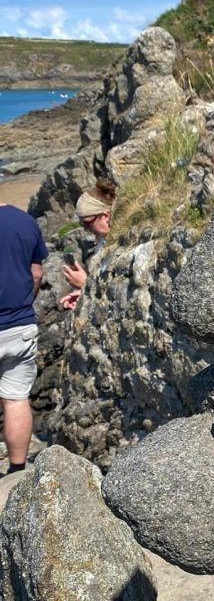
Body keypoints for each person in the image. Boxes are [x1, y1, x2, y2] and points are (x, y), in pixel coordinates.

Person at [0, 203, 48, 473]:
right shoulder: (24, 221)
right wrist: (25, 304)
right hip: (19, 326)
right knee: (16, 398)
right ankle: (17, 471)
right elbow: (37, 274)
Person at [60, 180, 115, 310]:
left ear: (105, 216)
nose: (85, 229)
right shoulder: (103, 242)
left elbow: (118, 293)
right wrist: (82, 294)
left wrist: (84, 284)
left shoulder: (123, 243)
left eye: (87, 223)